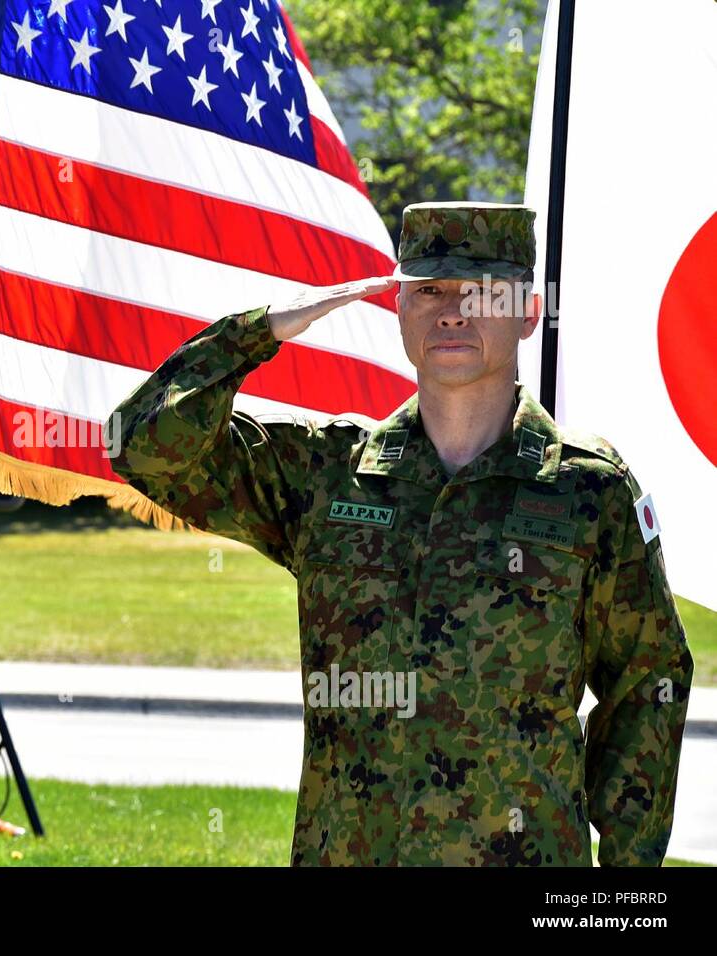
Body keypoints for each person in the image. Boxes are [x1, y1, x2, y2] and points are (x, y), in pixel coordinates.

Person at [110, 201, 692, 866]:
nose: (452, 311)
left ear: (529, 312)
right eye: (429, 291)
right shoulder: (329, 473)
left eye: (482, 293)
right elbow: (140, 444)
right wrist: (258, 331)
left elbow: (647, 685)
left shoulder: (588, 491)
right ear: (399, 311)